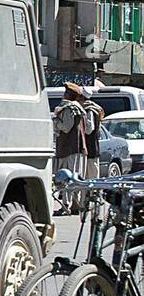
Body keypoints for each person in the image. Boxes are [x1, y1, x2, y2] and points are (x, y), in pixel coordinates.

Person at [54, 83, 94, 212]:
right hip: (76, 148)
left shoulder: (69, 108)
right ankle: (75, 205)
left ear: (67, 95)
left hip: (70, 149)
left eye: (65, 93)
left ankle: (66, 205)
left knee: (68, 178)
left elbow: (66, 127)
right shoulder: (79, 109)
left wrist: (55, 121)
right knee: (75, 178)